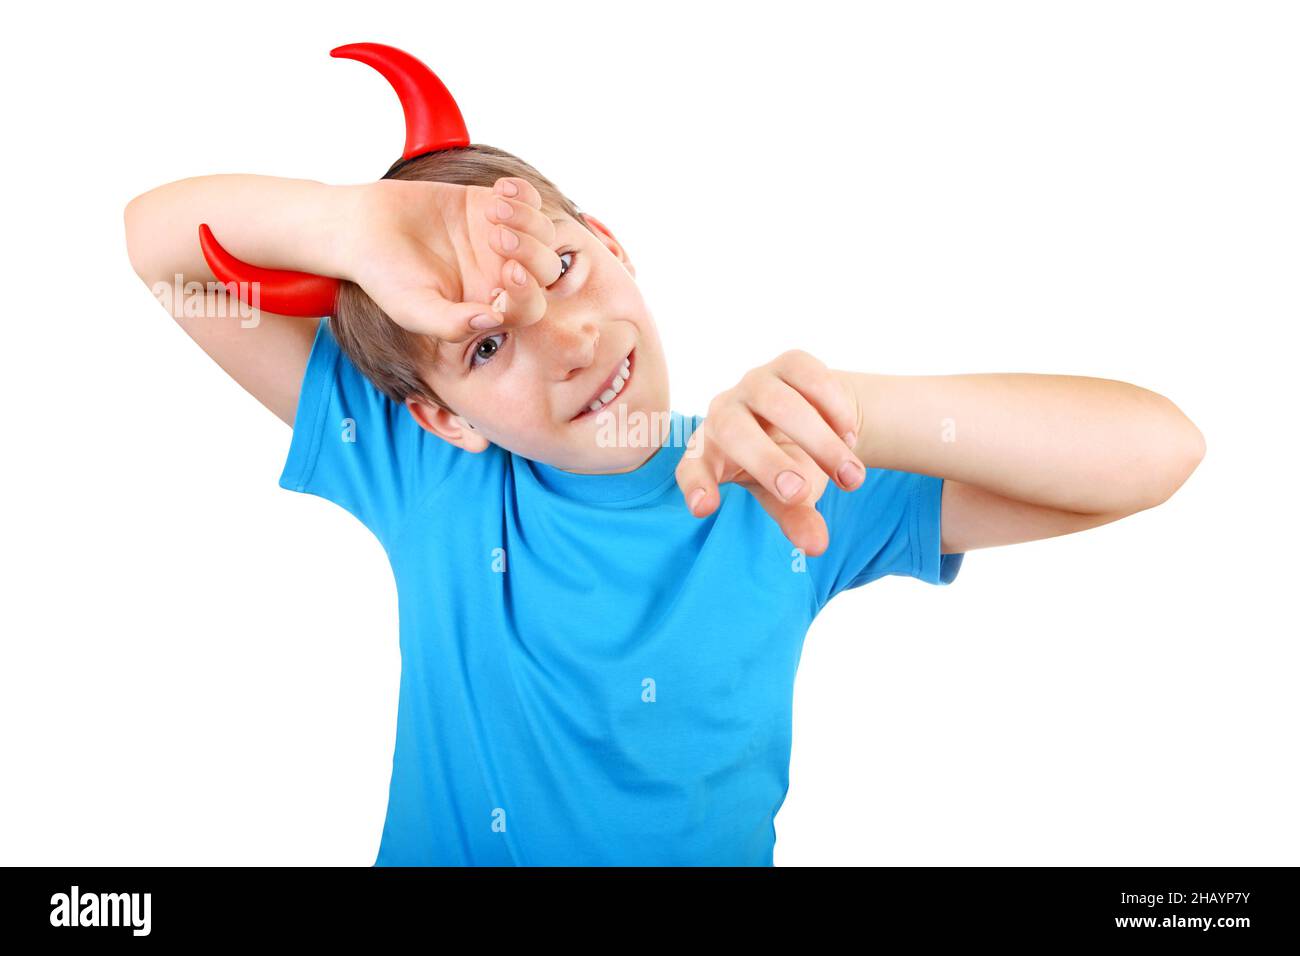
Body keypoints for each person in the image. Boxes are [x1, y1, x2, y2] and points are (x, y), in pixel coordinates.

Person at [122, 43, 1205, 866]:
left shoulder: (784, 479)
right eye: (486, 343)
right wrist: (353, 228)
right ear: (440, 414)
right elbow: (159, 247)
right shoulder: (429, 476)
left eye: (564, 264)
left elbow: (1157, 451)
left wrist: (849, 410)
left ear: (617, 246)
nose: (572, 338)